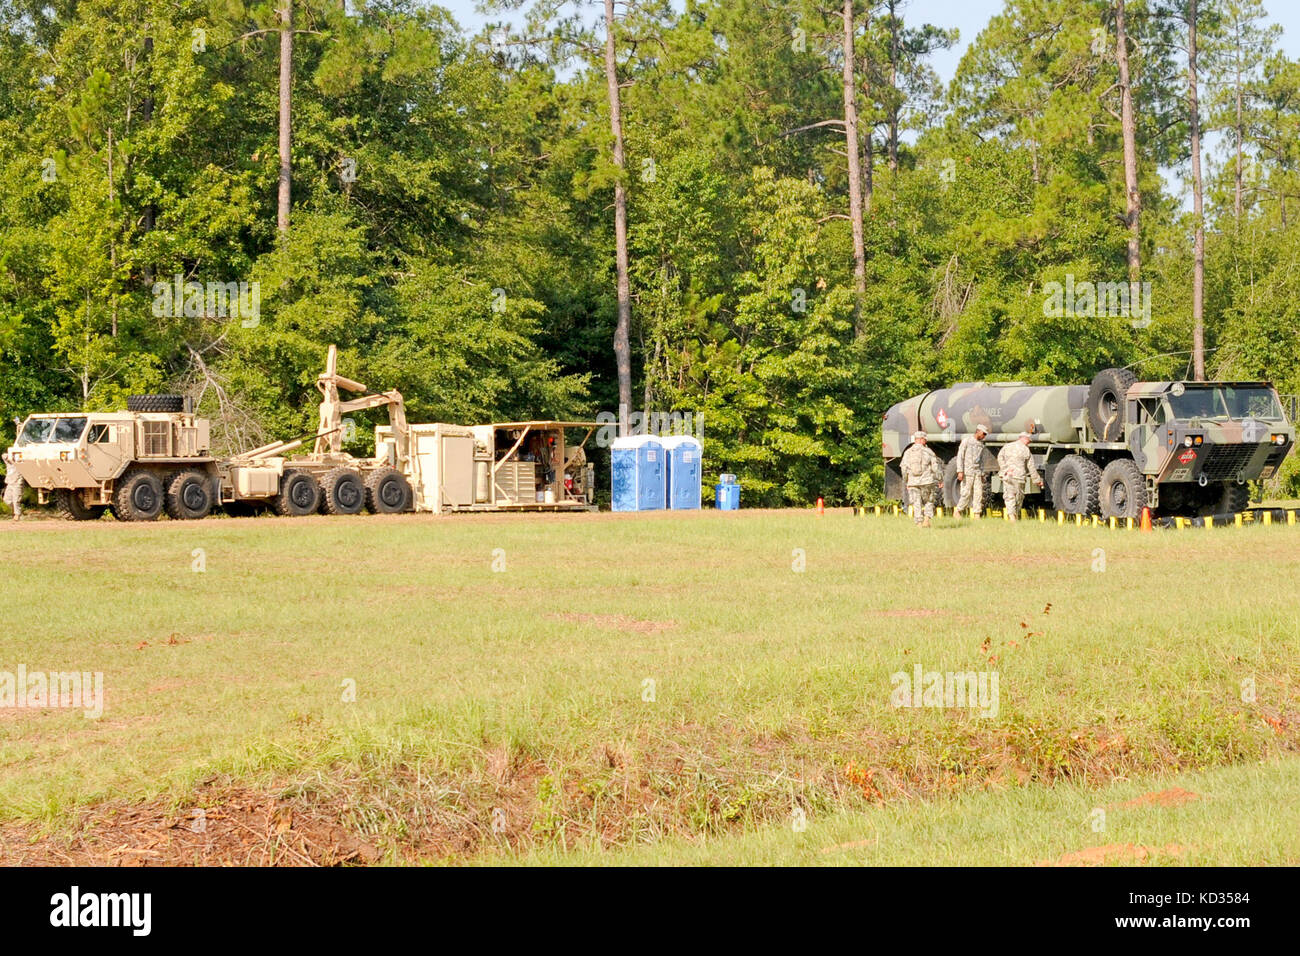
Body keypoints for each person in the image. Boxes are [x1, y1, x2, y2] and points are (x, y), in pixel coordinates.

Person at [996, 431, 1044, 521]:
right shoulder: (1026, 450)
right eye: (1028, 441)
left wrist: (1005, 469)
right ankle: (1013, 518)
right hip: (1019, 478)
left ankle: (1012, 517)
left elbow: (999, 457)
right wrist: (1037, 480)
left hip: (1008, 476)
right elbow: (1031, 467)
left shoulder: (1007, 446)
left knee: (1010, 496)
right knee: (1018, 497)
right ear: (1024, 438)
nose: (1029, 443)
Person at [900, 430, 942, 528]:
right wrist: (940, 479)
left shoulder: (908, 452)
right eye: (925, 439)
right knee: (929, 501)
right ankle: (926, 520)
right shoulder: (929, 452)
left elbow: (904, 469)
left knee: (916, 503)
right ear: (922, 440)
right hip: (927, 482)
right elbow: (935, 468)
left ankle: (919, 524)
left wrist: (907, 481)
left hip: (913, 482)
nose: (926, 441)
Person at [955, 423, 989, 518]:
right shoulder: (967, 441)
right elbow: (960, 456)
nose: (984, 436)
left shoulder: (981, 445)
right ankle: (958, 510)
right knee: (966, 493)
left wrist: (982, 474)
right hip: (967, 472)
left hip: (977, 473)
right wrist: (960, 471)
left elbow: (981, 460)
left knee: (978, 494)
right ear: (978, 431)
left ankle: (977, 514)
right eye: (983, 433)